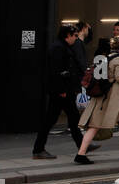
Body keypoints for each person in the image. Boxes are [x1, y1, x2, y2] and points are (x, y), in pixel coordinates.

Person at [74, 37, 119, 165]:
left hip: (109, 99)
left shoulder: (108, 57)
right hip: (112, 101)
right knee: (95, 126)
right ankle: (80, 154)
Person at [31, 24, 84, 159]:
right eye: (75, 36)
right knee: (60, 119)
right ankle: (38, 149)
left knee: (69, 118)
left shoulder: (63, 47)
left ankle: (83, 145)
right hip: (61, 90)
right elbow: (56, 71)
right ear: (68, 36)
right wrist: (61, 90)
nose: (76, 39)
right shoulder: (58, 48)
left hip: (63, 89)